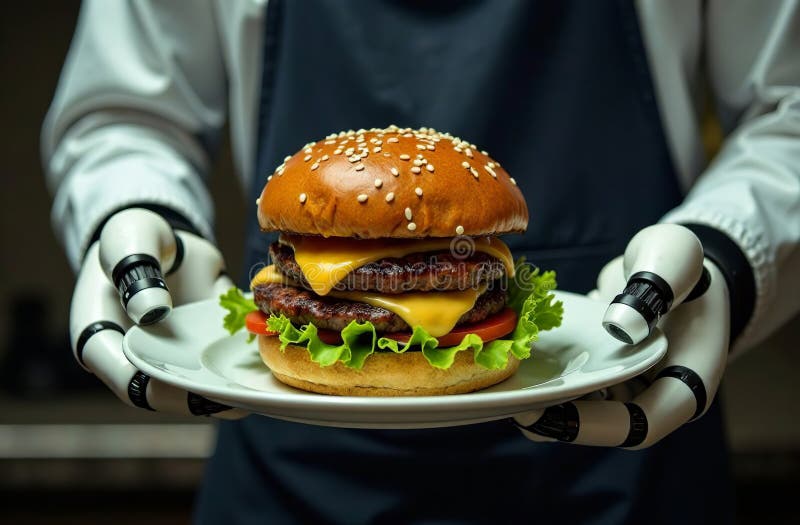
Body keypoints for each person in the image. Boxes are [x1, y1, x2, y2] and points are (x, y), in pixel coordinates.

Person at [43, 1, 800, 523]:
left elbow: (789, 106)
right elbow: (125, 115)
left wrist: (728, 250)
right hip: (284, 455)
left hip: (623, 430)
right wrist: (134, 212)